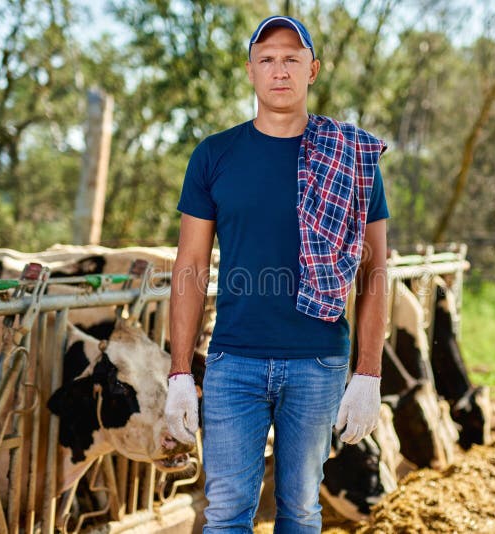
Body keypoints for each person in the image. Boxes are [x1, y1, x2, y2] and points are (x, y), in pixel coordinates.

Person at [164, 14, 389, 533]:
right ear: (250, 72)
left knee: (301, 511)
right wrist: (179, 373)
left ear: (312, 70)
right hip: (233, 363)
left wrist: (369, 373)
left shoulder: (354, 158)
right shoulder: (214, 155)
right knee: (225, 513)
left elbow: (375, 270)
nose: (279, 70)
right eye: (267, 59)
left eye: (291, 59)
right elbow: (190, 267)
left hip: (318, 362)